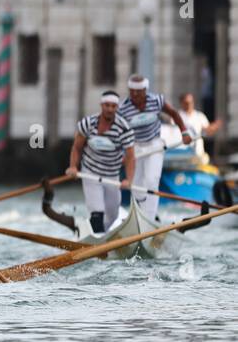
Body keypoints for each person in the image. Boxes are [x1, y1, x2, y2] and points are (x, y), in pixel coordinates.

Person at [117, 75, 191, 220]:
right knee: (136, 185)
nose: (135, 95)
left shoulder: (157, 101)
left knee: (151, 180)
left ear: (145, 90)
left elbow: (174, 114)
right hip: (135, 147)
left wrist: (184, 132)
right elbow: (119, 131)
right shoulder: (123, 108)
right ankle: (141, 215)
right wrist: (121, 153)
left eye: (138, 92)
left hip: (154, 145)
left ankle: (149, 218)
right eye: (132, 92)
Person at [65, 91, 136, 234]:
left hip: (112, 176)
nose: (110, 109)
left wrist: (128, 180)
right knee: (97, 213)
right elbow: (77, 147)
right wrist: (73, 167)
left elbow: (130, 157)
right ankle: (96, 237)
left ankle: (99, 235)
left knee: (113, 215)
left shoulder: (124, 128)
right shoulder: (87, 124)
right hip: (90, 173)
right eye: (107, 105)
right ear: (101, 105)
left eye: (113, 106)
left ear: (117, 108)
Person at [170, 92, 221, 163]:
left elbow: (207, 131)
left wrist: (214, 127)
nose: (189, 105)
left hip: (197, 154)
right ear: (181, 103)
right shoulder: (177, 116)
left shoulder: (199, 116)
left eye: (191, 102)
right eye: (186, 102)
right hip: (180, 154)